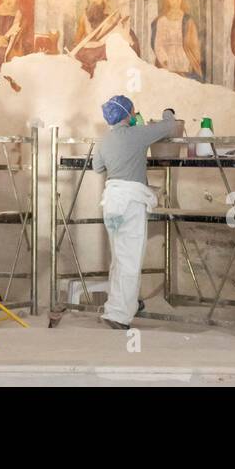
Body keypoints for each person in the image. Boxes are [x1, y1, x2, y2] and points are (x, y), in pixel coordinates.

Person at [92, 95, 178, 329]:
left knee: (119, 258)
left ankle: (120, 305)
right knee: (129, 260)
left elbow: (97, 167)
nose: (134, 114)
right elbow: (169, 126)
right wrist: (168, 111)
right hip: (130, 202)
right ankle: (119, 315)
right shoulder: (137, 134)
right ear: (127, 114)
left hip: (111, 201)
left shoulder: (105, 140)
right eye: (132, 111)